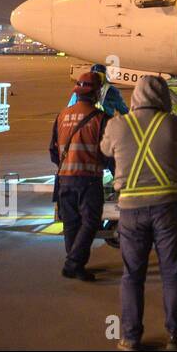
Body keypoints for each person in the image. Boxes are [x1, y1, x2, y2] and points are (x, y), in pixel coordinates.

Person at [100, 75, 177, 351]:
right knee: (172, 272)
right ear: (163, 97)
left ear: (135, 97)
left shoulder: (118, 125)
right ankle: (176, 333)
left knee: (132, 274)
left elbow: (104, 149)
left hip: (131, 209)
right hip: (168, 206)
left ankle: (130, 337)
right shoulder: (174, 124)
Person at [49, 72, 111, 282]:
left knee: (72, 223)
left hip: (64, 178)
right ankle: (73, 263)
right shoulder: (101, 118)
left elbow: (52, 150)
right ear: (96, 93)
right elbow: (108, 152)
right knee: (91, 221)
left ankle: (76, 265)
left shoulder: (62, 116)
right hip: (88, 179)